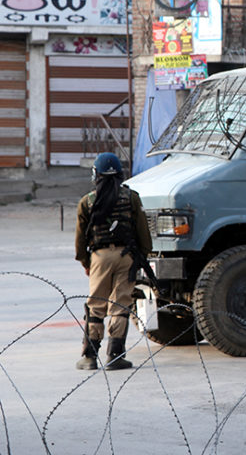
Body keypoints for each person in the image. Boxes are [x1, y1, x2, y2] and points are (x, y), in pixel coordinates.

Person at [74, 152, 152, 371]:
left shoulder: (87, 202)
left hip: (99, 257)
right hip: (126, 257)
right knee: (120, 304)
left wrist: (86, 262)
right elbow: (143, 233)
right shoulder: (132, 197)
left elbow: (80, 239)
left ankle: (90, 357)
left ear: (96, 175)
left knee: (96, 305)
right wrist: (142, 257)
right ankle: (115, 356)